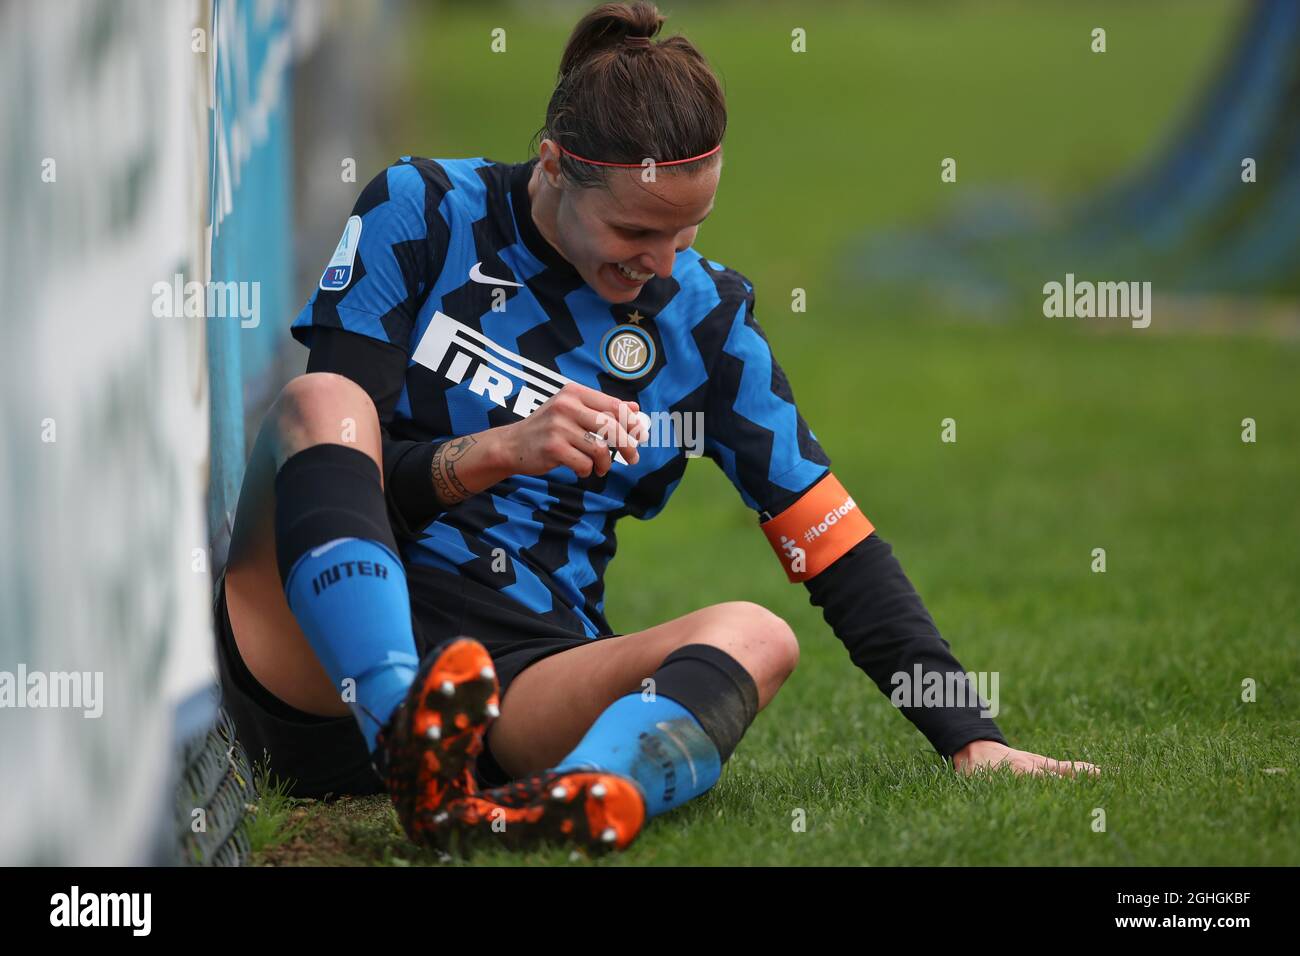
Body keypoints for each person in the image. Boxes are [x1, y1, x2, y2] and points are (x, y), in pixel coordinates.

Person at [214, 0, 1098, 857]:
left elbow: (834, 546)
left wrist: (970, 737)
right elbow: (335, 449)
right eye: (635, 228)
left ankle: (564, 801)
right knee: (317, 405)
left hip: (517, 680)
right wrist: (489, 455)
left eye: (687, 231)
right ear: (556, 166)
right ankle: (406, 732)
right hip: (320, 663)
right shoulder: (424, 208)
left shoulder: (708, 320)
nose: (659, 263)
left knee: (758, 635)